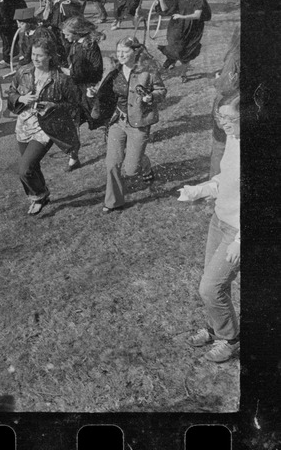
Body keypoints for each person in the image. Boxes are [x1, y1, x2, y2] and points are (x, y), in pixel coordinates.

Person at [178, 96, 240, 363]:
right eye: (220, 117)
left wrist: (241, 239)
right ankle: (217, 330)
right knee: (214, 284)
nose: (224, 123)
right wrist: (198, 191)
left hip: (237, 231)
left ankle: (231, 339)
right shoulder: (233, 139)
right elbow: (224, 179)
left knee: (210, 287)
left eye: (230, 118)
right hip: (219, 220)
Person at [6, 36, 80, 215]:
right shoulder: (23, 72)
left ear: (50, 57)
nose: (35, 59)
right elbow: (10, 93)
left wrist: (54, 106)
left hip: (46, 127)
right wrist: (20, 98)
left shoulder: (60, 79)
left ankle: (38, 195)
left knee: (24, 169)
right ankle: (42, 195)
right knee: (32, 166)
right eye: (33, 54)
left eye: (40, 56)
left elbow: (75, 105)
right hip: (24, 124)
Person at [102, 38, 166, 213]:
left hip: (138, 123)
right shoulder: (114, 69)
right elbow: (105, 88)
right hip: (118, 121)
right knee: (112, 163)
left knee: (131, 170)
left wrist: (151, 97)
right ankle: (113, 202)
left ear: (136, 52)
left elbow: (161, 90)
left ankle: (144, 164)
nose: (120, 55)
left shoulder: (148, 70)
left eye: (125, 51)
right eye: (118, 51)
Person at [59, 17, 104, 170]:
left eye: (67, 34)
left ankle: (115, 142)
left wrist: (70, 72)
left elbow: (96, 70)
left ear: (77, 32)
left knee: (99, 118)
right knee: (73, 122)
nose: (65, 37)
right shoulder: (75, 44)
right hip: (74, 90)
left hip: (87, 90)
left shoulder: (90, 46)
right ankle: (73, 158)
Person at [156, 0, 208, 83]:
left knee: (187, 51)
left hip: (193, 28)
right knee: (174, 46)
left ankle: (183, 73)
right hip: (177, 26)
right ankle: (170, 60)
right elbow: (165, 9)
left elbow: (197, 15)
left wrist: (182, 16)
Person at [210, 25, 240, 176]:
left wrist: (217, 80)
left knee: (220, 148)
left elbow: (225, 86)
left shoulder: (235, 56)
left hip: (230, 109)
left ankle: (216, 189)